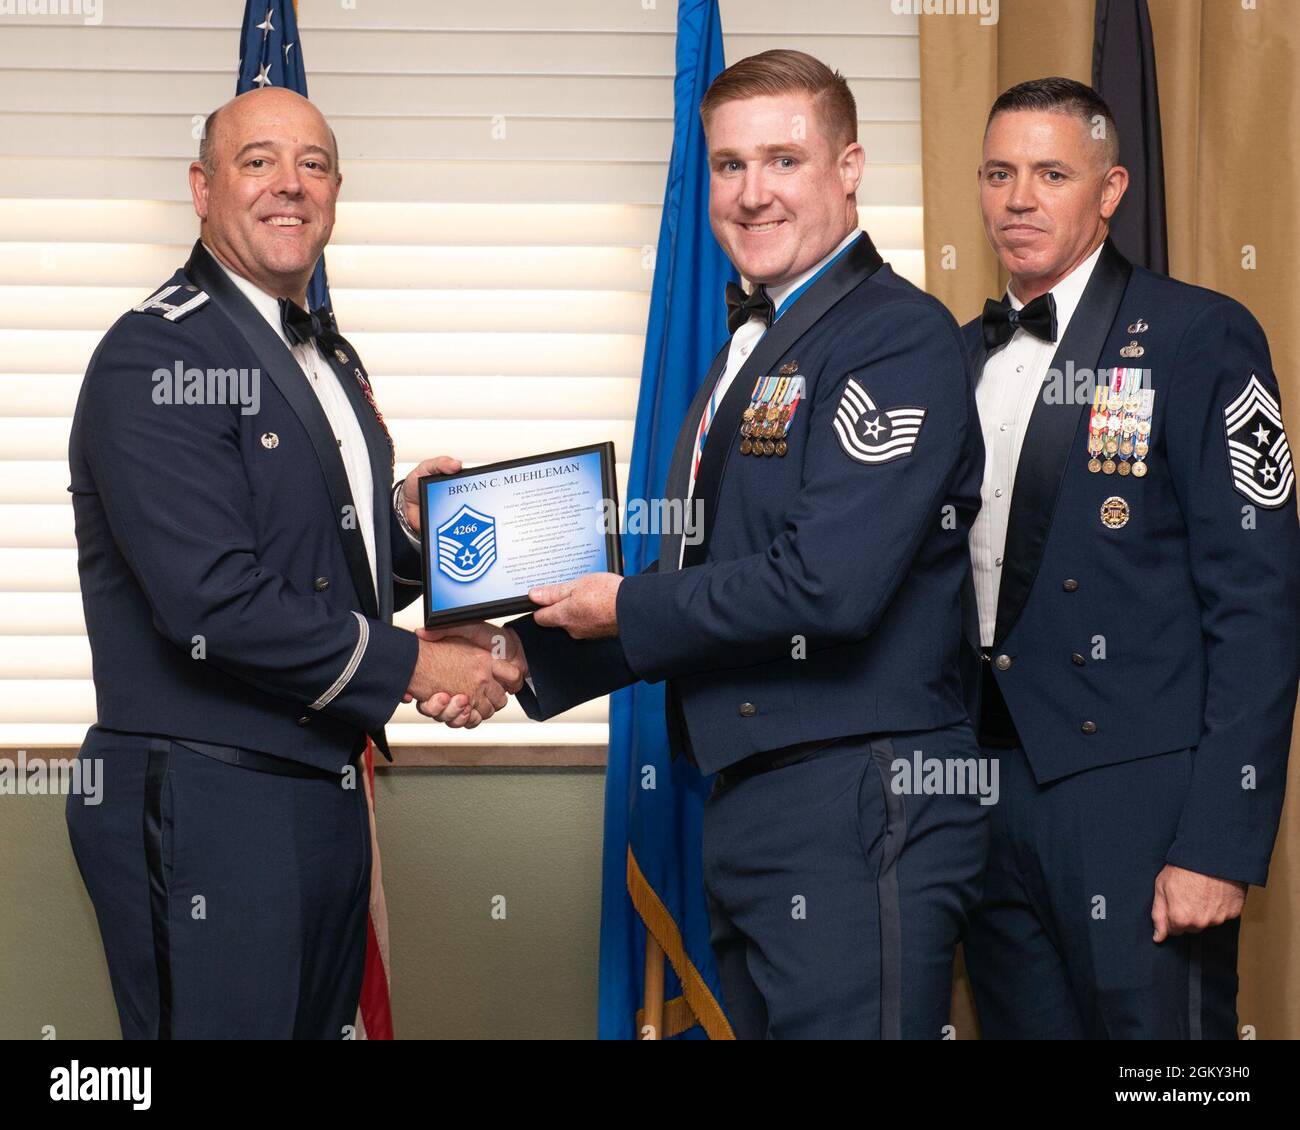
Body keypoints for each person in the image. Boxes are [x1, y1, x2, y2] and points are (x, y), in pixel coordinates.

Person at [432, 50, 988, 1039]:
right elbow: (713, 579)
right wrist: (523, 654)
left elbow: (827, 587)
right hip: (758, 801)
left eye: (782, 159)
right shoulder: (752, 345)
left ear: (850, 165)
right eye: (728, 165)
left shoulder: (894, 337)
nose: (751, 192)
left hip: (857, 799)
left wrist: (619, 605)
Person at [65, 87, 520, 1039]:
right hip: (207, 800)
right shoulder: (158, 352)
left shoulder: (325, 356)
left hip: (317, 788)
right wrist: (421, 666)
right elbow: (214, 604)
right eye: (258, 161)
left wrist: (419, 534)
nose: (290, 185)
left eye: (313, 165)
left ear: (337, 192)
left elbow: (315, 552)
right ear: (202, 187)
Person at [959, 77, 1300, 1039]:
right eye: (999, 172)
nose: (1019, 198)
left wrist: (1220, 842)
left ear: (1109, 192)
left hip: (1143, 801)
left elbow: (1259, 601)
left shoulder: (1199, 335)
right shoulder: (953, 357)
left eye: (1051, 173)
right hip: (983, 789)